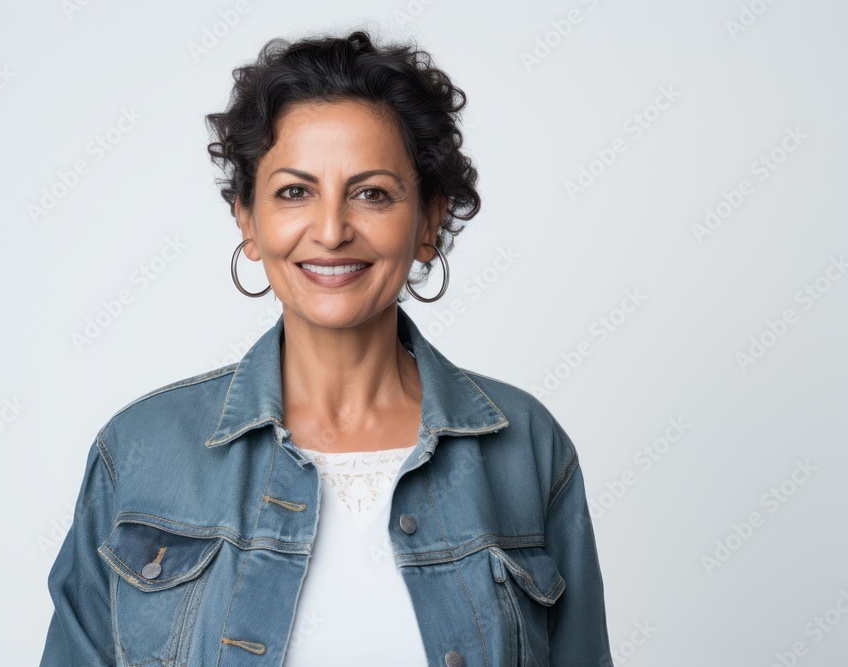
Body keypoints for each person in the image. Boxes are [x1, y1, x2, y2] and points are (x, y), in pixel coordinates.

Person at [40, 29, 613, 666]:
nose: (334, 230)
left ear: (427, 223)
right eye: (295, 192)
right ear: (248, 222)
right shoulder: (141, 452)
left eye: (372, 193)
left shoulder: (526, 447)